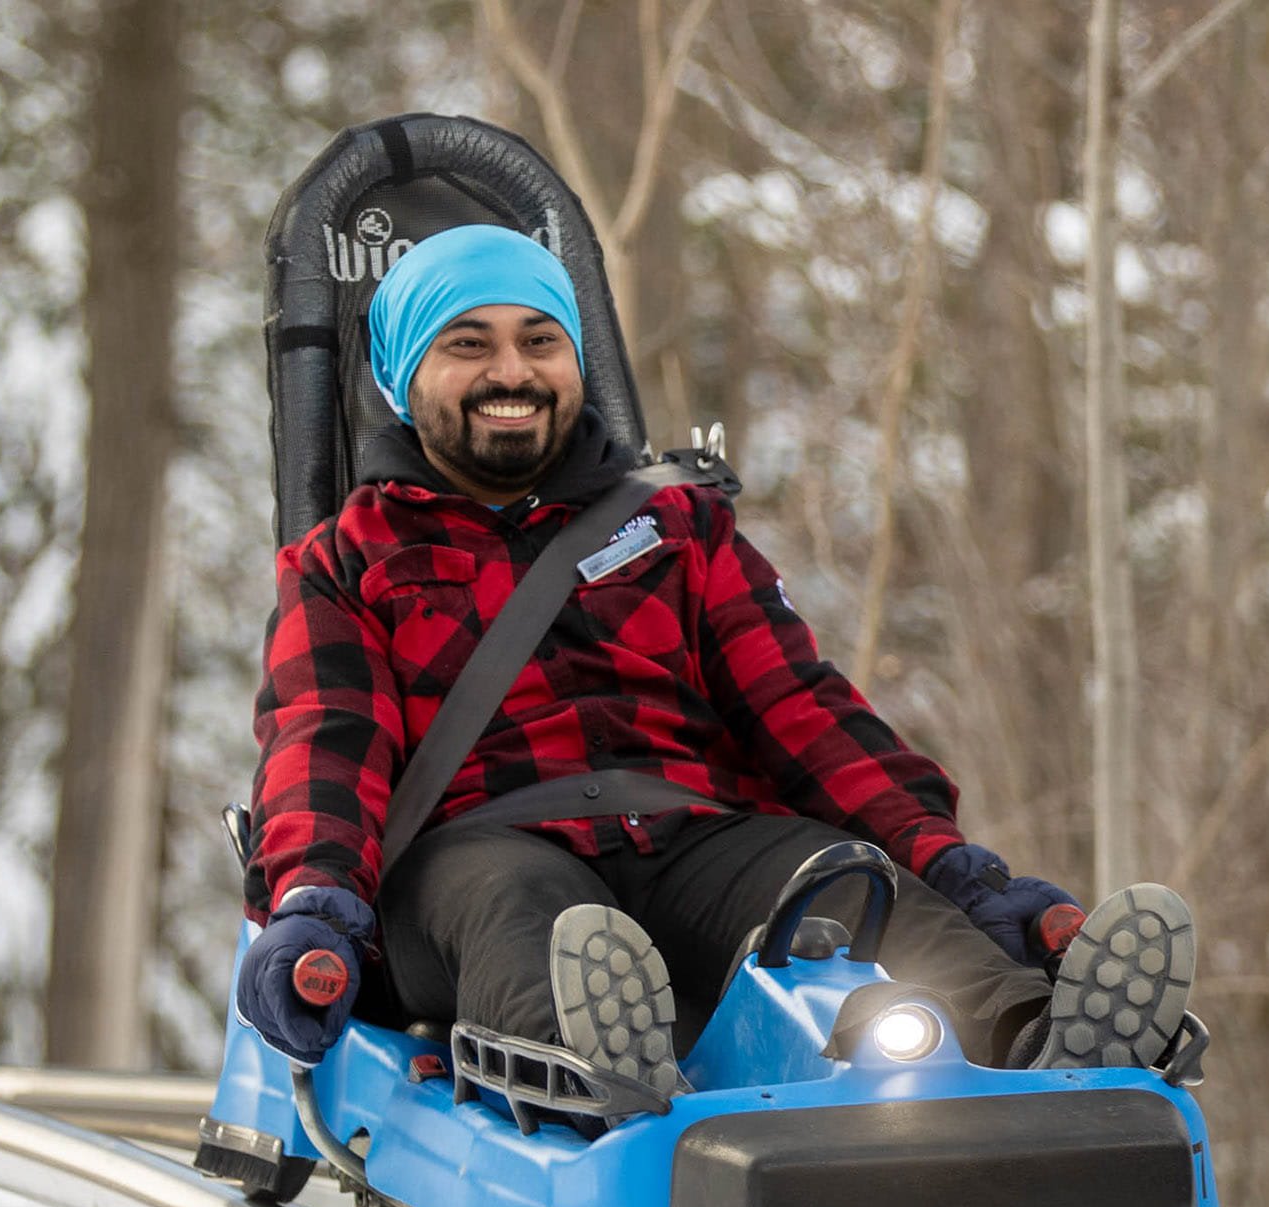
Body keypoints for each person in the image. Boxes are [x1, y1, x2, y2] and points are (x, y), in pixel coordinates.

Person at [236, 223, 1194, 1098]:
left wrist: (958, 871)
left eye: (539, 340)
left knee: (834, 876)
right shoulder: (345, 562)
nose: (511, 370)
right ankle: (602, 1085)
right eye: (468, 344)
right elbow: (327, 748)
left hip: (688, 832)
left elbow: (803, 713)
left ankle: (1043, 1049)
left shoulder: (673, 525)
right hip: (479, 855)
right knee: (528, 909)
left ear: (576, 361)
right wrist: (315, 906)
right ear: (406, 377)